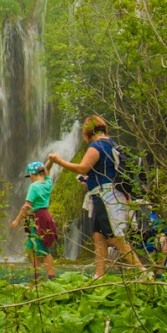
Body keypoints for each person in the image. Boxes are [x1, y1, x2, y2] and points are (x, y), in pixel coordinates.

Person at [47, 115, 139, 279]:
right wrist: (90, 181)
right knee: (98, 235)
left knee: (114, 237)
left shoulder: (96, 146)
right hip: (105, 194)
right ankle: (99, 274)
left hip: (106, 197)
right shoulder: (110, 144)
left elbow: (82, 168)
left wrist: (58, 161)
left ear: (88, 131)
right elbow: (104, 170)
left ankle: (142, 271)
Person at [8, 160, 57, 281]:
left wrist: (17, 220)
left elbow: (27, 205)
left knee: (43, 249)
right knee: (31, 248)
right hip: (45, 216)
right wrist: (51, 160)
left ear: (31, 175)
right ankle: (36, 276)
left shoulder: (34, 187)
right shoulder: (47, 183)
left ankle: (51, 277)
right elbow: (47, 169)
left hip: (37, 218)